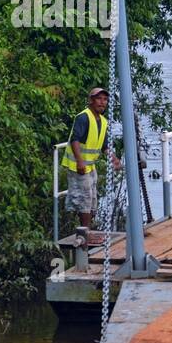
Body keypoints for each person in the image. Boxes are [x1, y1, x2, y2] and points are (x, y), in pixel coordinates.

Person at [61, 87, 121, 244]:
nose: (102, 102)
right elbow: (75, 139)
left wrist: (113, 158)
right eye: (99, 99)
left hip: (90, 165)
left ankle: (87, 231)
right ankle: (84, 234)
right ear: (91, 101)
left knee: (92, 198)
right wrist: (80, 161)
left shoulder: (102, 121)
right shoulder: (83, 117)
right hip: (78, 165)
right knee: (84, 199)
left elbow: (105, 144)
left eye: (105, 99)